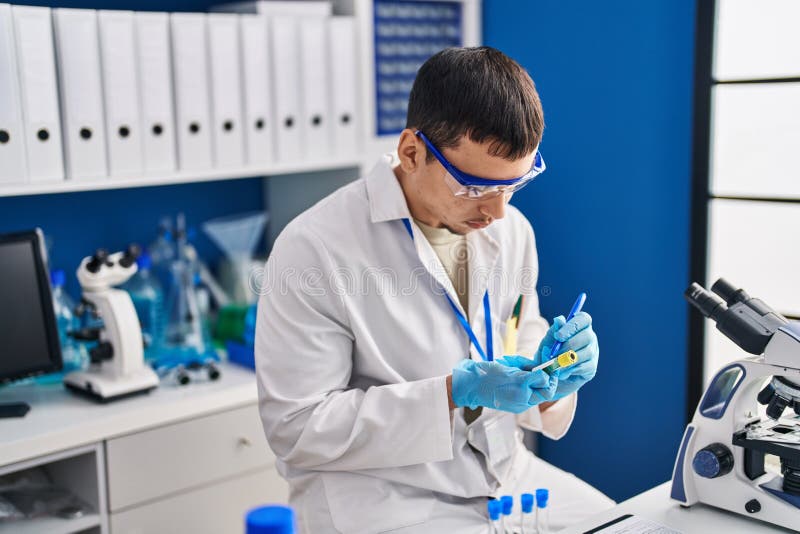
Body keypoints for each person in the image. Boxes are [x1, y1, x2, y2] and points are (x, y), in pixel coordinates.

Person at [255, 46, 614, 533]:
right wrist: (451, 393)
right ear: (411, 152)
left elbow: (518, 335)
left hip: (506, 478)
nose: (497, 213)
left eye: (513, 186)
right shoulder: (314, 249)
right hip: (387, 499)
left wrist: (553, 378)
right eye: (474, 188)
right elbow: (297, 429)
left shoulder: (512, 231)